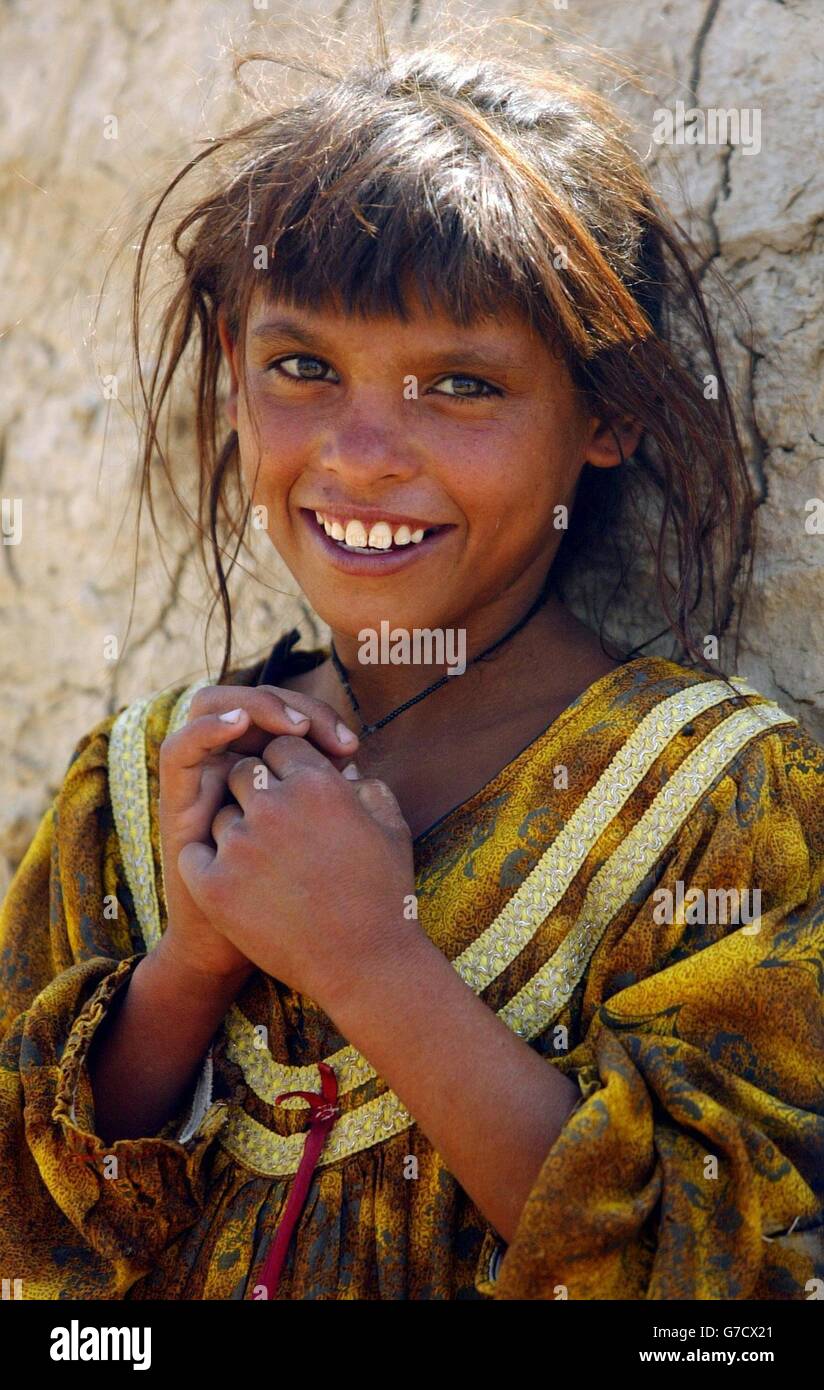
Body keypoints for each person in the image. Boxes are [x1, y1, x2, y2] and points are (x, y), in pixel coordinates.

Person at [0, 39, 822, 1302]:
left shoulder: (713, 812)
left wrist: (370, 964)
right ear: (233, 367)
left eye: (459, 384)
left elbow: (720, 1300)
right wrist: (190, 962)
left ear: (607, 414)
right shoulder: (132, 801)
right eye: (303, 368)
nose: (362, 453)